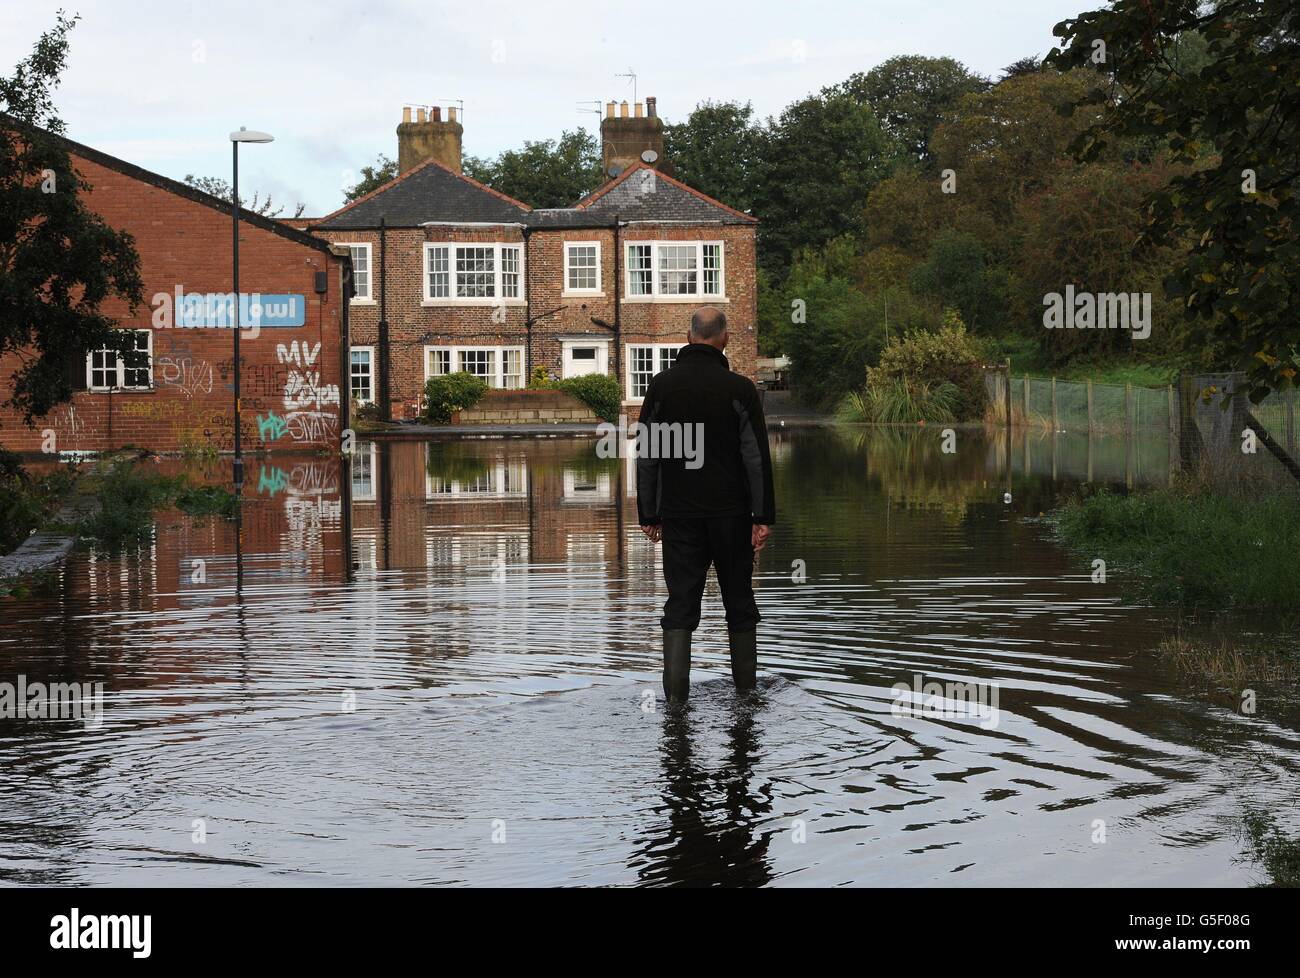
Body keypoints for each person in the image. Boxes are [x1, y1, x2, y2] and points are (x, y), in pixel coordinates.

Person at [636, 306, 776, 703]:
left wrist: (649, 513)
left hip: (680, 517)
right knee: (739, 603)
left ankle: (675, 707)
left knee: (680, 605)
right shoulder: (740, 390)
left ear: (690, 335)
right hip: (732, 517)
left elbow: (648, 455)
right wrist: (762, 516)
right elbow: (755, 459)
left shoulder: (662, 387)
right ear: (725, 337)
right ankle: (747, 699)